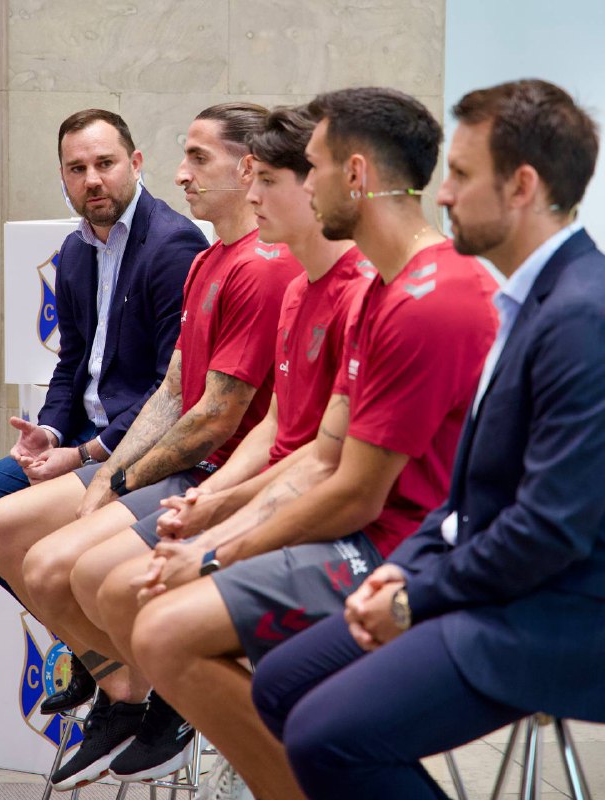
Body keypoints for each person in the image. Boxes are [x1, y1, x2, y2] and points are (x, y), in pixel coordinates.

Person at [123, 87, 499, 800]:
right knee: (157, 619)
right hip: (363, 535)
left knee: (164, 632)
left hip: (402, 553)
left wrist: (214, 550)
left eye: (309, 166)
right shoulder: (378, 290)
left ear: (354, 175)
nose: (265, 186)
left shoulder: (433, 297)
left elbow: (355, 494)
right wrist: (217, 518)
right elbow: (318, 455)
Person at [250, 78, 605, 800]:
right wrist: (402, 570)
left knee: (327, 737)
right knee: (282, 684)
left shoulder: (580, 316)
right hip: (494, 582)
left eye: (462, 175)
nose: (441, 195)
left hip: (557, 613)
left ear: (522, 186)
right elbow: (466, 495)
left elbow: (550, 528)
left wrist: (418, 595)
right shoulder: (523, 298)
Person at [0, 102, 302, 792]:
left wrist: (112, 475)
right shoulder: (212, 259)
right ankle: (124, 692)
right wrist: (102, 472)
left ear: (249, 170)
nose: (181, 175)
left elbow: (218, 418)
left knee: (72, 566)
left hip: (215, 475)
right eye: (76, 167)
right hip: (187, 465)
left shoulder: (254, 263)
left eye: (196, 159)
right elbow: (173, 391)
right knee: (11, 543)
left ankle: (166, 701)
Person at [65, 103, 375, 789]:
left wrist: (216, 530)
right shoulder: (293, 285)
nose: (251, 191)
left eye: (266, 178)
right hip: (262, 489)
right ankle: (139, 701)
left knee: (140, 606)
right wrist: (156, 487)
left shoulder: (352, 291)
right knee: (63, 562)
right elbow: (272, 429)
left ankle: (200, 722)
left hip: (357, 534)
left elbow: (328, 466)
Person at [0, 109, 207, 590]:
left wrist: (83, 456)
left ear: (136, 163)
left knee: (35, 546)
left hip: (138, 447)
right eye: (77, 169)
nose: (92, 180)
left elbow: (172, 389)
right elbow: (72, 360)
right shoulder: (75, 250)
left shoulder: (172, 246)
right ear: (63, 177)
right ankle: (86, 644)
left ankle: (90, 647)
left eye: (105, 163)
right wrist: (51, 433)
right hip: (79, 436)